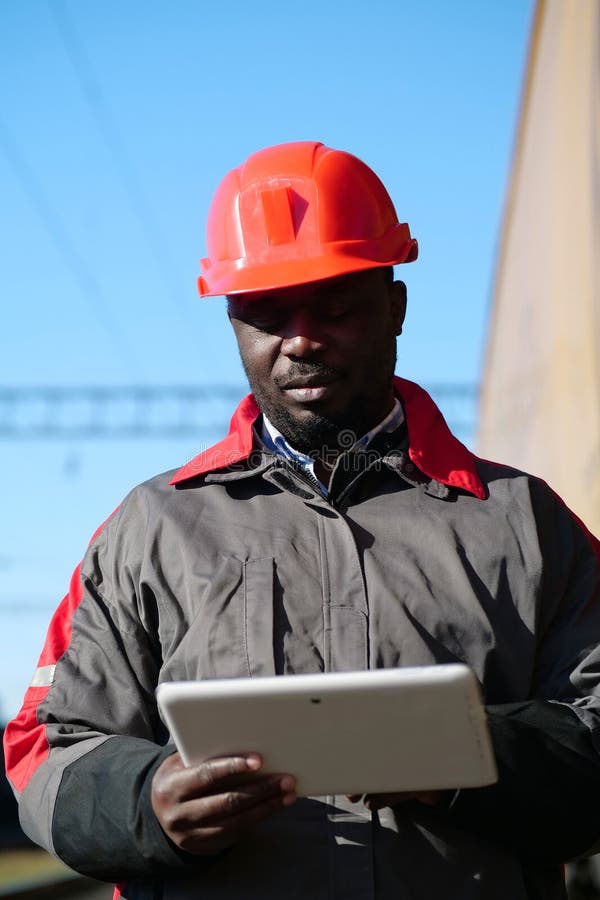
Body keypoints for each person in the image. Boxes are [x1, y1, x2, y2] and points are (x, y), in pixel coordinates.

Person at [4, 140, 600, 900]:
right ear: (232, 322)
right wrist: (147, 804)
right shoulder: (149, 531)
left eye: (334, 307)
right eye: (265, 314)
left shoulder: (526, 524)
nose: (301, 340)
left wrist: (458, 760)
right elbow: (44, 748)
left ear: (395, 308)